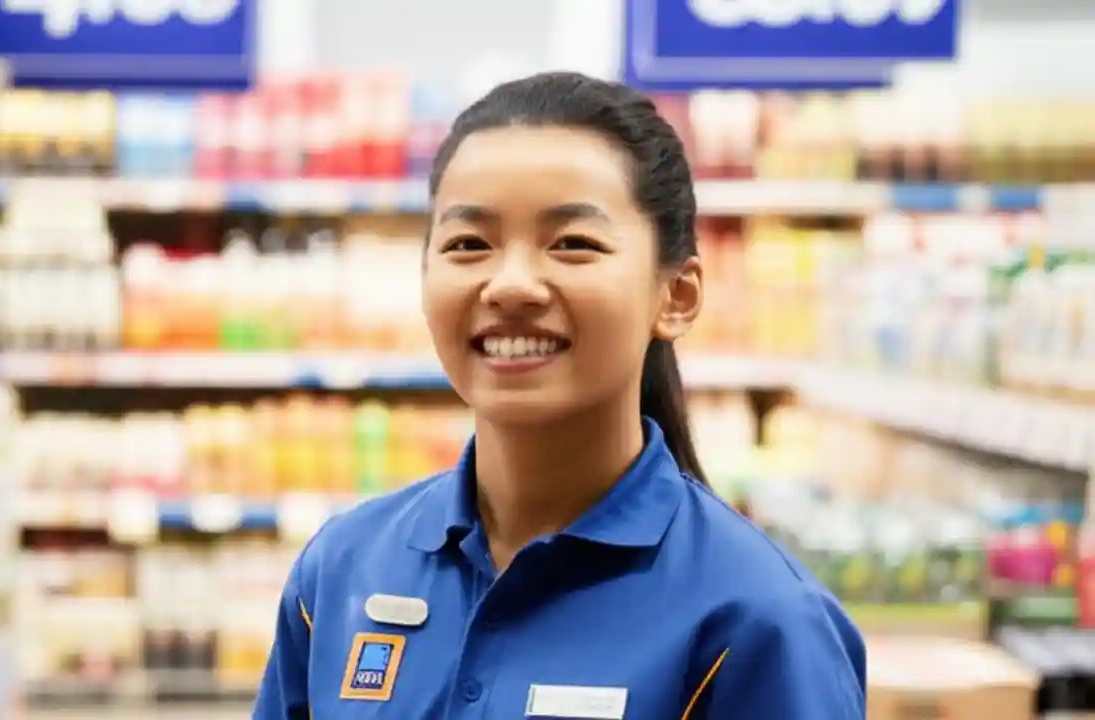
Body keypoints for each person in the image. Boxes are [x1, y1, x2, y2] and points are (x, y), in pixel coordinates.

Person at [254, 71, 866, 719]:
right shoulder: (342, 570)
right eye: (469, 244)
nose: (511, 285)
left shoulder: (758, 620)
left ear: (676, 296)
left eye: (572, 243)